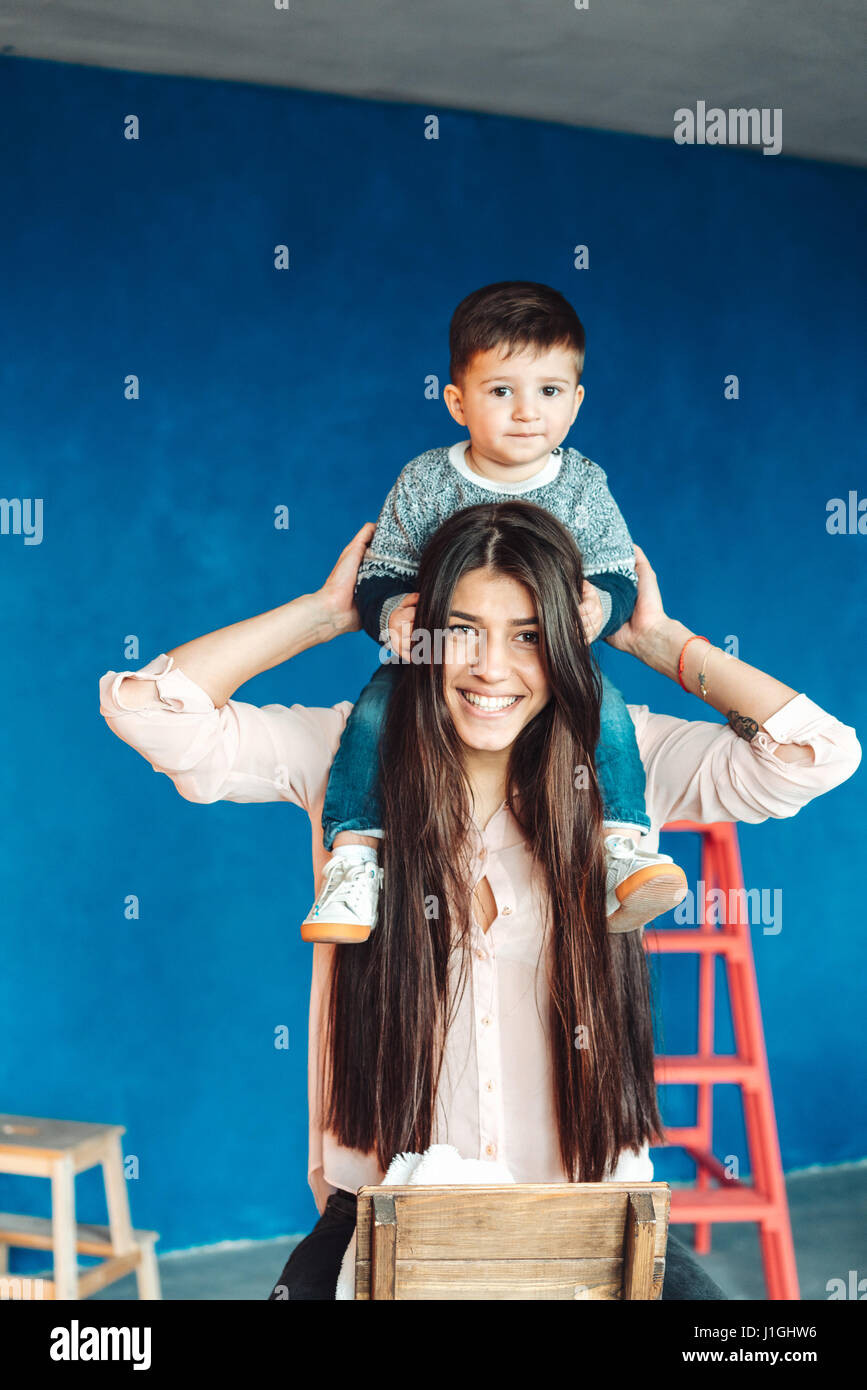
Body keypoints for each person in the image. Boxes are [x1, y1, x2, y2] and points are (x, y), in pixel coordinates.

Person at [98, 503, 860, 1300]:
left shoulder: (627, 759)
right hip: (386, 1212)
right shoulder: (345, 758)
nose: (490, 668)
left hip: (592, 1215)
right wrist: (324, 616)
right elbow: (149, 710)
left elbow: (816, 757)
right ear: (416, 633)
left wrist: (659, 643)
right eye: (460, 630)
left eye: (528, 635)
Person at [303, 281, 687, 945]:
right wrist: (391, 608)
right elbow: (382, 572)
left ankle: (620, 845)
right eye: (500, 390)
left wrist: (603, 600)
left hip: (547, 660)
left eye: (548, 391)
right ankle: (356, 858)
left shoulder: (582, 484)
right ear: (457, 402)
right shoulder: (426, 479)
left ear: (575, 402)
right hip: (433, 659)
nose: (525, 412)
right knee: (373, 714)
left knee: (606, 710)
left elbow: (615, 571)